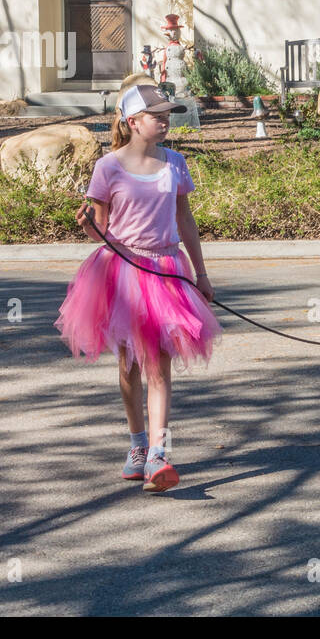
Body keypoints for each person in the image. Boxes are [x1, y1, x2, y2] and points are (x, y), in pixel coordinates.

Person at [55, 84, 221, 493]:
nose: (165, 121)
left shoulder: (176, 163)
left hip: (166, 269)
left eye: (168, 115)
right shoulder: (107, 167)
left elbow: (186, 222)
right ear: (132, 122)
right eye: (157, 115)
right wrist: (89, 227)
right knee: (129, 364)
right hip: (122, 269)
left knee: (159, 365)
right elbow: (103, 231)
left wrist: (200, 273)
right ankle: (137, 445)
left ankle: (159, 456)